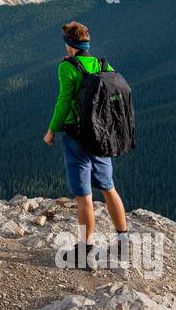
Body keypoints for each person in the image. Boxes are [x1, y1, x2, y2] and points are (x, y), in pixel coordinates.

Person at [42, 21, 128, 268]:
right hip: (102, 138)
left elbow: (63, 102)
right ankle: (123, 241)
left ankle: (84, 252)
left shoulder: (67, 67)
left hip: (77, 137)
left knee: (84, 196)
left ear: (69, 44)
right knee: (109, 188)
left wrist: (51, 131)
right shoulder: (103, 64)